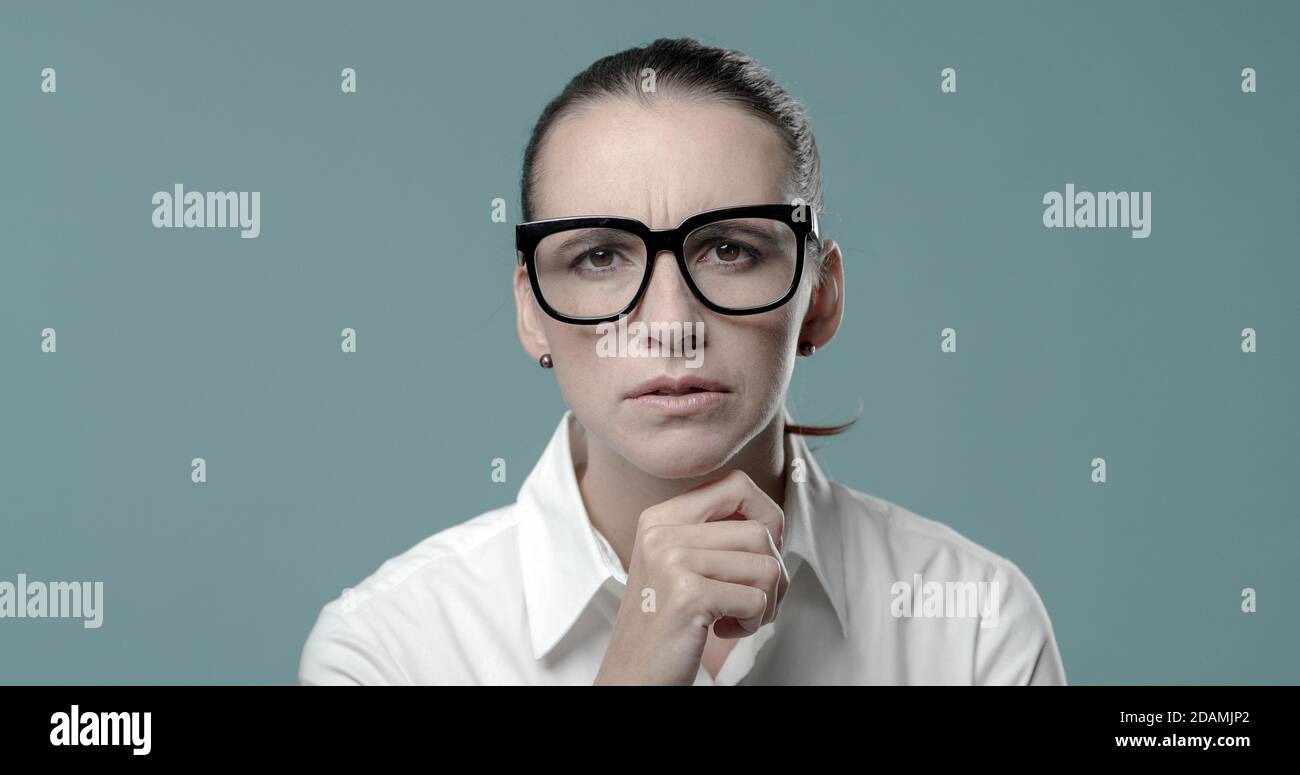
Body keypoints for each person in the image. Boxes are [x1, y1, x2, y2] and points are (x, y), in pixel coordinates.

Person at [298, 37, 1066, 685]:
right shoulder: (387, 649)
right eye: (599, 256)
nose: (670, 327)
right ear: (532, 311)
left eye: (730, 249)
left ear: (821, 298)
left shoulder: (974, 623)